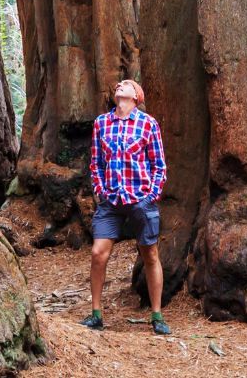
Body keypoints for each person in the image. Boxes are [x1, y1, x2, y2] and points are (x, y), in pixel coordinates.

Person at [80, 78, 169, 335]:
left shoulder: (148, 124)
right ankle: (96, 314)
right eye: (118, 84)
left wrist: (151, 195)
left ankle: (157, 316)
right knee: (98, 253)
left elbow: (159, 165)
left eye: (126, 84)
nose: (120, 85)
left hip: (141, 200)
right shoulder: (101, 123)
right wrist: (99, 190)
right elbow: (95, 162)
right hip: (111, 201)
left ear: (136, 96)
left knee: (150, 254)